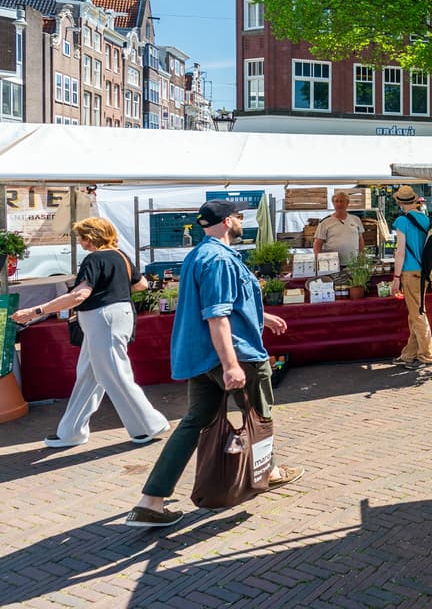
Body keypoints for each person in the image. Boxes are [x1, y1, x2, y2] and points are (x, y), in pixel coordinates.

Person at [125, 200, 304, 528]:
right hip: (234, 355)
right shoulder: (220, 258)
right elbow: (217, 315)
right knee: (259, 417)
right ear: (225, 222)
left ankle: (151, 501)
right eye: (237, 216)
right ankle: (270, 472)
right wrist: (231, 364)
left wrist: (260, 317)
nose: (240, 220)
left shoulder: (199, 254)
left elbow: (221, 306)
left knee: (195, 422)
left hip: (201, 356)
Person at [13, 217, 169, 448]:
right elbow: (141, 284)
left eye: (81, 237)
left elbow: (79, 295)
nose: (80, 241)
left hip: (102, 319)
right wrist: (112, 287)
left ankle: (149, 424)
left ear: (90, 238)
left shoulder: (94, 259)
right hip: (117, 315)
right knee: (89, 374)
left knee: (115, 373)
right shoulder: (121, 256)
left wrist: (36, 310)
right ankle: (71, 431)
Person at [390, 186, 432, 370]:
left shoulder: (402, 221)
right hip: (423, 271)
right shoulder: (425, 219)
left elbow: (400, 252)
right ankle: (409, 354)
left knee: (417, 315)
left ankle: (426, 355)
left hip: (409, 272)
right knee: (414, 315)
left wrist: (396, 277)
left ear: (400, 202)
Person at [312, 190, 365, 267]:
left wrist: (361, 255)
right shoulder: (325, 222)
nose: (339, 204)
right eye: (336, 201)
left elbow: (360, 239)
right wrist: (318, 261)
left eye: (342, 201)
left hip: (353, 263)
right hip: (332, 264)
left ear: (347, 203)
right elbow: (317, 243)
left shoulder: (356, 219)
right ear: (333, 203)